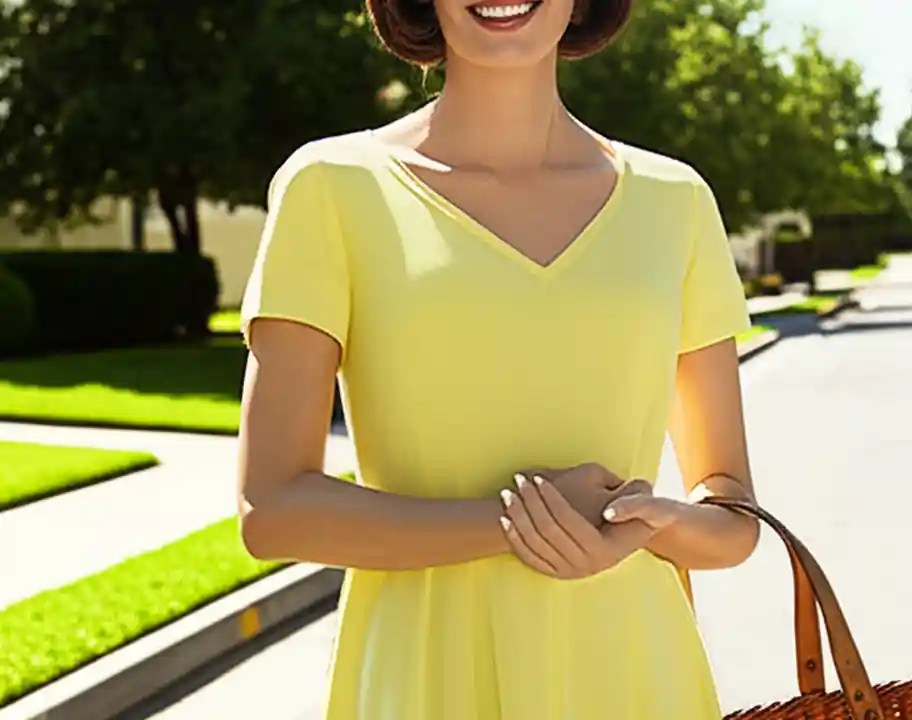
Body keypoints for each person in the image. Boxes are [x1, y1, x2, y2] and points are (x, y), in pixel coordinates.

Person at [235, 0, 760, 717]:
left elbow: (732, 515)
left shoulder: (676, 201)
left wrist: (652, 522)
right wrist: (521, 524)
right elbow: (271, 509)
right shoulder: (330, 188)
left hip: (633, 676)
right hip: (426, 679)